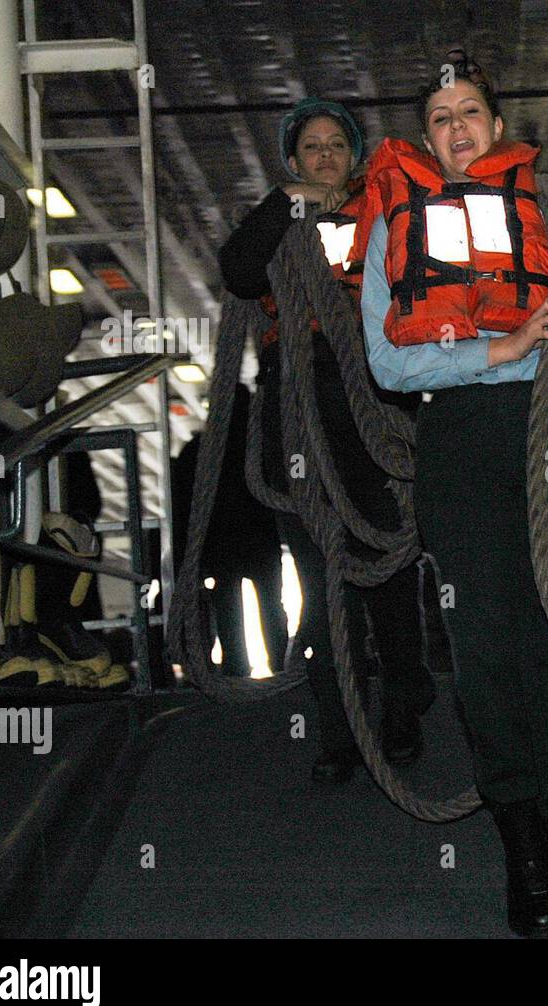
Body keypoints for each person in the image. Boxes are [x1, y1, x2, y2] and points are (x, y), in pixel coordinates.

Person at [355, 52, 548, 938]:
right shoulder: (395, 226)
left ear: (498, 126)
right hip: (461, 448)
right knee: (485, 656)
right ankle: (525, 851)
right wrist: (494, 352)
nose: (458, 126)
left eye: (472, 109)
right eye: (440, 116)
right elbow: (390, 361)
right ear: (424, 137)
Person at [218, 97, 434, 782]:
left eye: (335, 145)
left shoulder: (384, 212)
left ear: (354, 156)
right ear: (292, 161)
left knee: (388, 563)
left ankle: (402, 707)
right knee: (318, 577)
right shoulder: (277, 220)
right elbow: (239, 271)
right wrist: (288, 200)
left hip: (370, 397)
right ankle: (339, 730)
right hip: (299, 402)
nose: (324, 157)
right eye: (310, 148)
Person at [173, 384, 288, 677]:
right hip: (259, 538)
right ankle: (280, 663)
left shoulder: (198, 452)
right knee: (271, 605)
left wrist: (187, 558)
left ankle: (237, 667)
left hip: (223, 542)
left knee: (228, 608)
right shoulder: (260, 448)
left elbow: (182, 505)